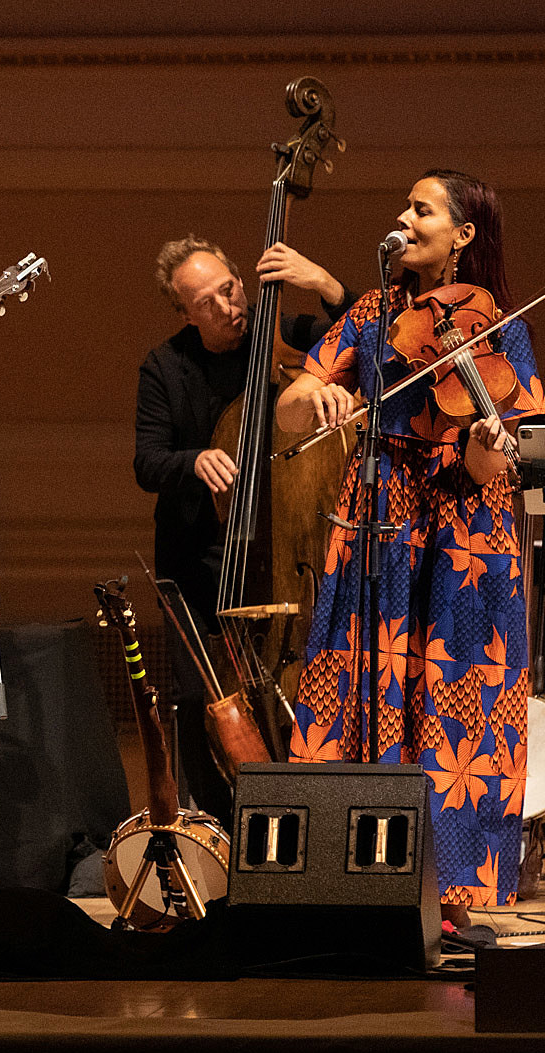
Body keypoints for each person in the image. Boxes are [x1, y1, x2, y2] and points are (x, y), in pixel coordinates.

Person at [276, 170, 545, 925]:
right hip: (381, 509)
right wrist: (319, 397)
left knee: (456, 699)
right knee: (362, 682)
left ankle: (452, 893)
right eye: (404, 206)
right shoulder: (371, 312)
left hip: (468, 529)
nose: (403, 218)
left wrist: (488, 444)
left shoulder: (502, 329)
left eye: (421, 209)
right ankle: (351, 874)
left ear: (463, 235)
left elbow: (501, 457)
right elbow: (292, 409)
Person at [134, 236, 352, 821]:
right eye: (205, 303)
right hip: (200, 565)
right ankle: (220, 830)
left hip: (289, 564)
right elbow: (146, 461)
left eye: (229, 290)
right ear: (184, 312)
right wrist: (194, 461)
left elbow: (370, 342)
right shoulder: (166, 367)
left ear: (241, 278)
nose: (227, 308)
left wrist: (327, 284)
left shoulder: (289, 340)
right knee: (201, 701)